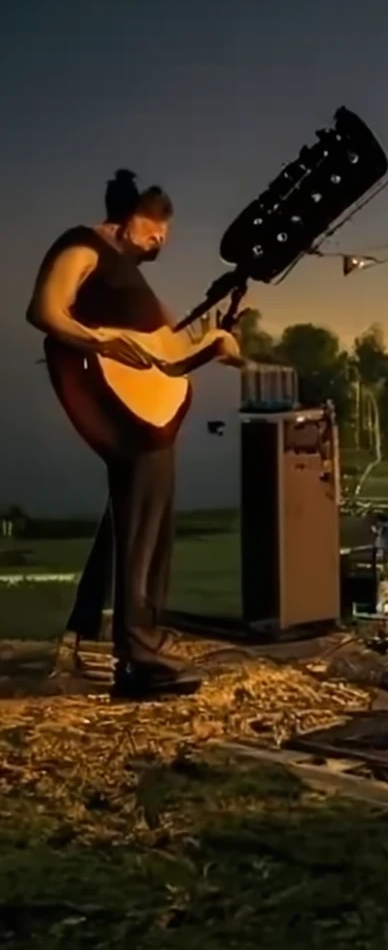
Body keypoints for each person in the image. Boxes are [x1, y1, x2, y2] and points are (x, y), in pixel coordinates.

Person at [26, 170, 242, 699]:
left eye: (166, 233)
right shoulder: (83, 246)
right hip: (117, 407)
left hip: (151, 414)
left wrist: (216, 342)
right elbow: (45, 310)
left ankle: (140, 650)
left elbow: (168, 350)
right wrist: (99, 341)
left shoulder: (134, 279)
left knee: (152, 531)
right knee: (143, 531)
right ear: (124, 223)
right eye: (153, 230)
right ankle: (139, 657)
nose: (161, 240)